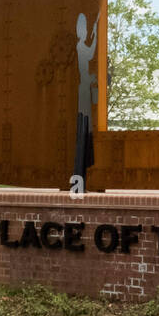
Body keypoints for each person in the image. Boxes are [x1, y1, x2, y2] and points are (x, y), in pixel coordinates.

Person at [74, 12, 98, 187]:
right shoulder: (80, 46)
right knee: (84, 128)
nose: (85, 30)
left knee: (86, 128)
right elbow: (90, 55)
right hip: (84, 89)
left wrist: (95, 33)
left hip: (85, 88)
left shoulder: (81, 45)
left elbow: (90, 54)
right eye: (84, 28)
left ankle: (82, 176)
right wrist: (96, 35)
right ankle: (80, 176)